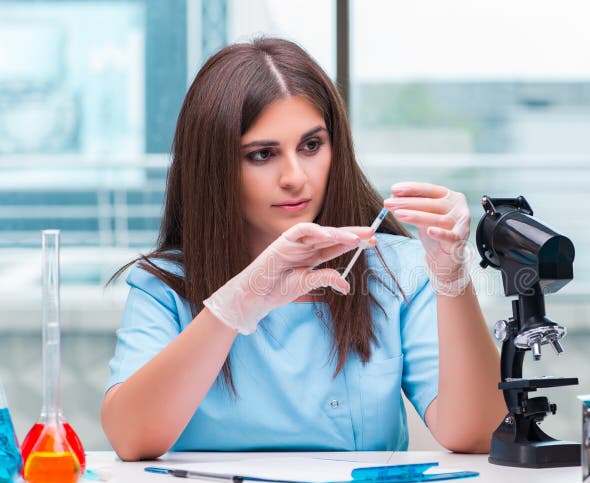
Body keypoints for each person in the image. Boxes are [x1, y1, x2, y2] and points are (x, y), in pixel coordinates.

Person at [101, 37, 506, 461]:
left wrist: (452, 277)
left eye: (311, 146)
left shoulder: (398, 269)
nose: (295, 177)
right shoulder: (165, 284)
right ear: (214, 168)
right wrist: (236, 304)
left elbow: (478, 434)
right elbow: (131, 438)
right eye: (262, 154)